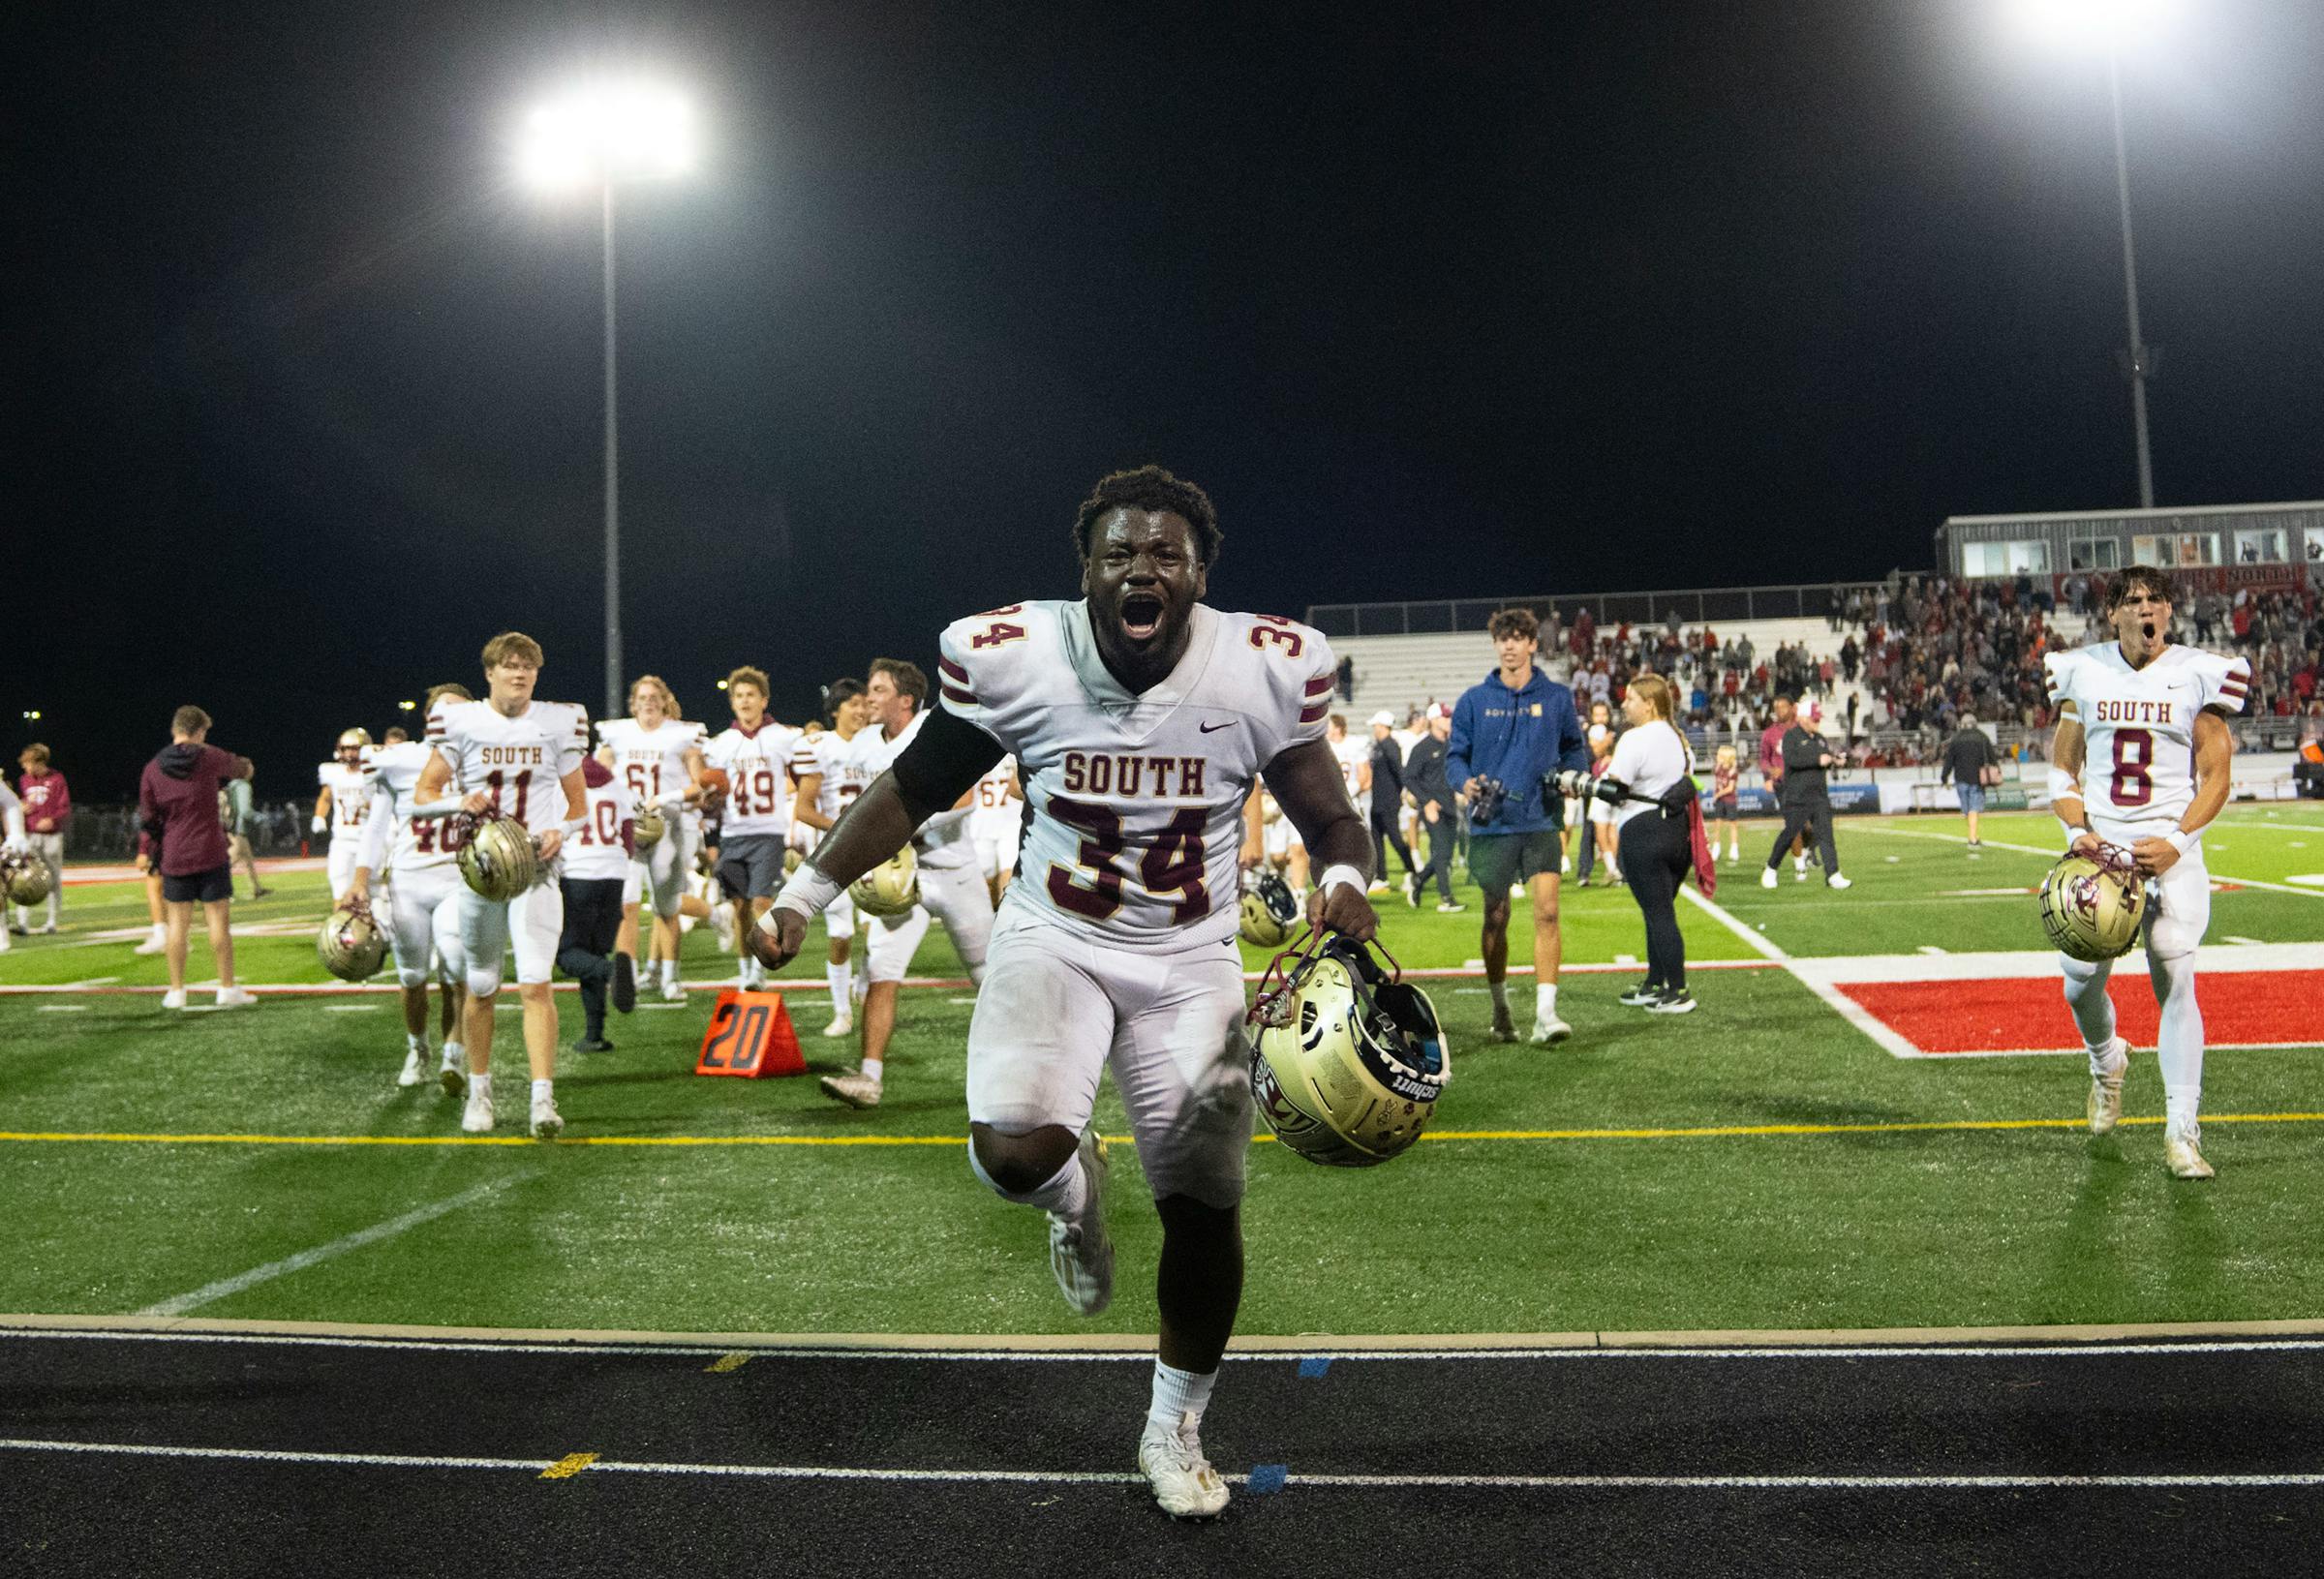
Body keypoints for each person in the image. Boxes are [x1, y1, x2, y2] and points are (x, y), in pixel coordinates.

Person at [744, 464, 1380, 1521]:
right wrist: (805, 897)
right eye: (1120, 551)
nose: (1143, 567)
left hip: (1192, 956)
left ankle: (1174, 1424)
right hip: (1056, 933)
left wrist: (1348, 878)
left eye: (1167, 552)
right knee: (1012, 1151)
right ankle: (1076, 1199)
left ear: (1201, 574)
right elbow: (914, 784)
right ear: (1085, 571)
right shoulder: (1019, 655)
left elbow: (1331, 819)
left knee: (1205, 1206)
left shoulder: (1259, 667)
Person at [2044, 564, 2246, 1179]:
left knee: (2176, 978)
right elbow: (2062, 769)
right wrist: (2078, 834)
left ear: (2169, 611)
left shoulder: (2198, 672)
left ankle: (2182, 1131)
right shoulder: (2082, 668)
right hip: (2101, 854)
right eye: (2133, 600)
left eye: (2157, 598)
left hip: (2171, 853)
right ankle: (2107, 1060)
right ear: (2113, 613)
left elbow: (2217, 775)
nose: (2147, 608)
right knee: (2079, 983)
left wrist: (2179, 841)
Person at [416, 631, 590, 1140]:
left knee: (536, 983)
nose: (520, 673)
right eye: (510, 665)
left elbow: (579, 805)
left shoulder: (558, 721)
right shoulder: (461, 721)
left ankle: (542, 1099)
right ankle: (480, 1092)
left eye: (528, 666)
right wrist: (457, 801)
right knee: (482, 984)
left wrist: (563, 830)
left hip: (536, 868)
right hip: (481, 871)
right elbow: (423, 792)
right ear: (489, 673)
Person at [818, 656, 995, 1109]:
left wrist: (905, 826)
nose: (869, 698)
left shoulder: (935, 730)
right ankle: (869, 1078)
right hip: (899, 879)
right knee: (881, 971)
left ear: (906, 699)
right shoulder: (863, 744)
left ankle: (1035, 1072)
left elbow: (966, 797)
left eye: (879, 690)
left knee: (990, 977)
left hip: (953, 872)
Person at [1447, 606, 1588, 1045]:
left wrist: (1573, 776)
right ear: (1496, 645)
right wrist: (1464, 783)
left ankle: (1546, 1014)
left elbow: (1574, 748)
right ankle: (1500, 1007)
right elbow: (1455, 757)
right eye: (1502, 638)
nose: (1509, 646)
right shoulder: (1473, 700)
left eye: (1517, 638)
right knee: (1496, 916)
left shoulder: (1558, 697)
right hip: (1492, 825)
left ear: (1532, 644)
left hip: (1542, 818)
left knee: (1548, 912)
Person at [351, 682, 472, 1092]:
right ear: (428, 717)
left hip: (458, 879)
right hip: (409, 882)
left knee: (455, 965)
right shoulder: (401, 760)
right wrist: (360, 880)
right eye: (443, 710)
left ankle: (454, 1054)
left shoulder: (478, 760)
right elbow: (376, 826)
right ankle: (418, 1048)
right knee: (412, 976)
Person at [137, 707, 259, 1011]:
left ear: (175, 729)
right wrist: (245, 766)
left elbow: (149, 818)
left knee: (177, 926)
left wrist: (148, 850)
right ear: (200, 731)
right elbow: (242, 769)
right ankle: (226, 988)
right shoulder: (208, 756)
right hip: (210, 850)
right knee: (218, 922)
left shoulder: (152, 768)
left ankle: (177, 990)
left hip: (175, 853)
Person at [597, 676, 709, 1004]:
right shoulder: (615, 733)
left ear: (664, 701)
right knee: (626, 904)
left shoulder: (683, 734)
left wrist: (664, 799)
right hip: (628, 829)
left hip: (668, 828)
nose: (648, 702)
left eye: (654, 697)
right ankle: (628, 976)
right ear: (633, 704)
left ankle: (671, 977)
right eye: (642, 697)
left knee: (666, 906)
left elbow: (700, 786)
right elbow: (598, 777)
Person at [703, 666, 803, 990]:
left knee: (761, 902)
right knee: (740, 908)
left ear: (764, 700)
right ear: (732, 702)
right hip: (733, 833)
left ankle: (759, 971)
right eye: (739, 696)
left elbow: (804, 776)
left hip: (768, 833)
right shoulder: (722, 743)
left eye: (751, 695)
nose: (745, 701)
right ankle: (746, 968)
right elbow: (712, 795)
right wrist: (709, 805)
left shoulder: (783, 737)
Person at [1606, 675, 1699, 1014]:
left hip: (1643, 830)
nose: (1624, 704)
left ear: (1649, 704)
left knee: (1659, 914)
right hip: (1676, 831)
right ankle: (1655, 983)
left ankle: (1678, 990)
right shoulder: (1678, 738)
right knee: (1658, 910)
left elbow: (1616, 788)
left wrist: (1587, 786)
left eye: (1631, 699)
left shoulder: (1634, 738)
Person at [790, 679, 871, 1036]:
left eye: (864, 703)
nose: (861, 710)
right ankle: (841, 1011)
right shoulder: (819, 747)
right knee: (841, 934)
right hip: (835, 850)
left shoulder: (880, 742)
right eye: (853, 704)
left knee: (878, 930)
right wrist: (842, 827)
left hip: (876, 848)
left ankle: (864, 987)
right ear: (836, 710)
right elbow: (804, 810)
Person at [558, 755, 636, 1053]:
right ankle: (594, 1035)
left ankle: (610, 971)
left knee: (566, 954)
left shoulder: (559, 783)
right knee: (593, 952)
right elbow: (628, 840)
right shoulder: (617, 786)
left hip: (578, 873)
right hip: (614, 875)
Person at [1759, 703, 1850, 891]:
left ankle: (1833, 874)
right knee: (1790, 834)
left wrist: (1835, 761)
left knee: (1826, 835)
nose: (1817, 722)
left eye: (1818, 719)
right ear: (1802, 718)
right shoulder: (1791, 737)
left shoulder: (1820, 739)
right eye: (1814, 718)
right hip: (1798, 796)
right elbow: (1792, 760)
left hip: (1819, 795)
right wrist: (1817, 760)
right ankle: (1771, 868)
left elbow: (1825, 760)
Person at [1403, 702, 1462, 911]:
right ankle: (1446, 898)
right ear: (1434, 720)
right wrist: (1426, 801)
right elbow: (1408, 777)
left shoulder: (1451, 745)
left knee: (1444, 854)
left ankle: (1418, 880)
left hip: (1449, 804)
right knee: (1442, 852)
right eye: (1445, 717)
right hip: (1432, 808)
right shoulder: (1422, 747)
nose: (1449, 720)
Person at [314, 729, 378, 902]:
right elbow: (325, 797)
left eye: (354, 748)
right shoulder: (334, 773)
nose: (349, 753)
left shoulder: (374, 775)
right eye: (345, 748)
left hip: (369, 840)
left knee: (375, 892)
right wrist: (319, 816)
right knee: (340, 889)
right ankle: (343, 921)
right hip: (342, 840)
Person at [15, 744, 69, 934]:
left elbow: (64, 807)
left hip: (52, 836)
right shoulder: (23, 780)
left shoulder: (57, 779)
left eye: (27, 763)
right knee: (24, 877)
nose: (25, 767)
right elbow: (15, 803)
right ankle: (23, 922)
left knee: (52, 878)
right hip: (29, 835)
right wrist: (20, 807)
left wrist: (52, 819)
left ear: (39, 762)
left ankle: (52, 922)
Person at [1364, 710, 1415, 892]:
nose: (1374, 729)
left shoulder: (1391, 746)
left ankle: (1412, 872)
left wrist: (1406, 791)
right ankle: (1381, 876)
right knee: (1375, 838)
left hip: (1389, 800)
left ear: (1382, 726)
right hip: (1377, 800)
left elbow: (1399, 770)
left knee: (1395, 838)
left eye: (1376, 726)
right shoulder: (1379, 746)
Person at [1939, 719, 2001, 848]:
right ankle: (1973, 838)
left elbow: (1949, 760)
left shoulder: (1956, 739)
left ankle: (1973, 835)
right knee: (1974, 808)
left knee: (1967, 810)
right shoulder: (1982, 737)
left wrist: (1944, 777)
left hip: (1960, 779)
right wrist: (1997, 771)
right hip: (1977, 778)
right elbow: (1992, 757)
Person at [1711, 744, 1741, 864]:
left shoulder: (1733, 771)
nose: (1717, 757)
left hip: (1729, 800)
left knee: (1732, 824)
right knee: (1717, 824)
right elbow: (1717, 782)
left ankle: (1734, 849)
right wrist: (1716, 794)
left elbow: (1730, 788)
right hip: (1720, 800)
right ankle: (1716, 848)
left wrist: (1717, 794)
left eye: (1719, 755)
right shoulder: (1718, 768)